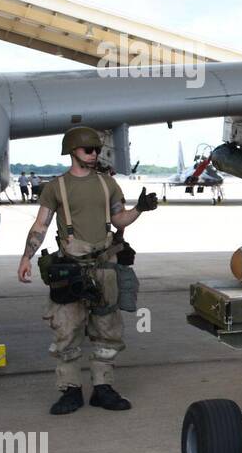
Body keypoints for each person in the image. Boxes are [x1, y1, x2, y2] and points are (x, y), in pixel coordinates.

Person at [16, 127, 159, 415]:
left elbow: (120, 220)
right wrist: (26, 256)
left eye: (97, 150)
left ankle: (103, 387)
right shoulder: (56, 187)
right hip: (71, 269)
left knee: (108, 330)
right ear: (73, 151)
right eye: (88, 150)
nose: (94, 154)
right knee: (66, 330)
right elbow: (40, 226)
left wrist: (140, 209)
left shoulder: (108, 185)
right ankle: (70, 389)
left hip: (105, 267)